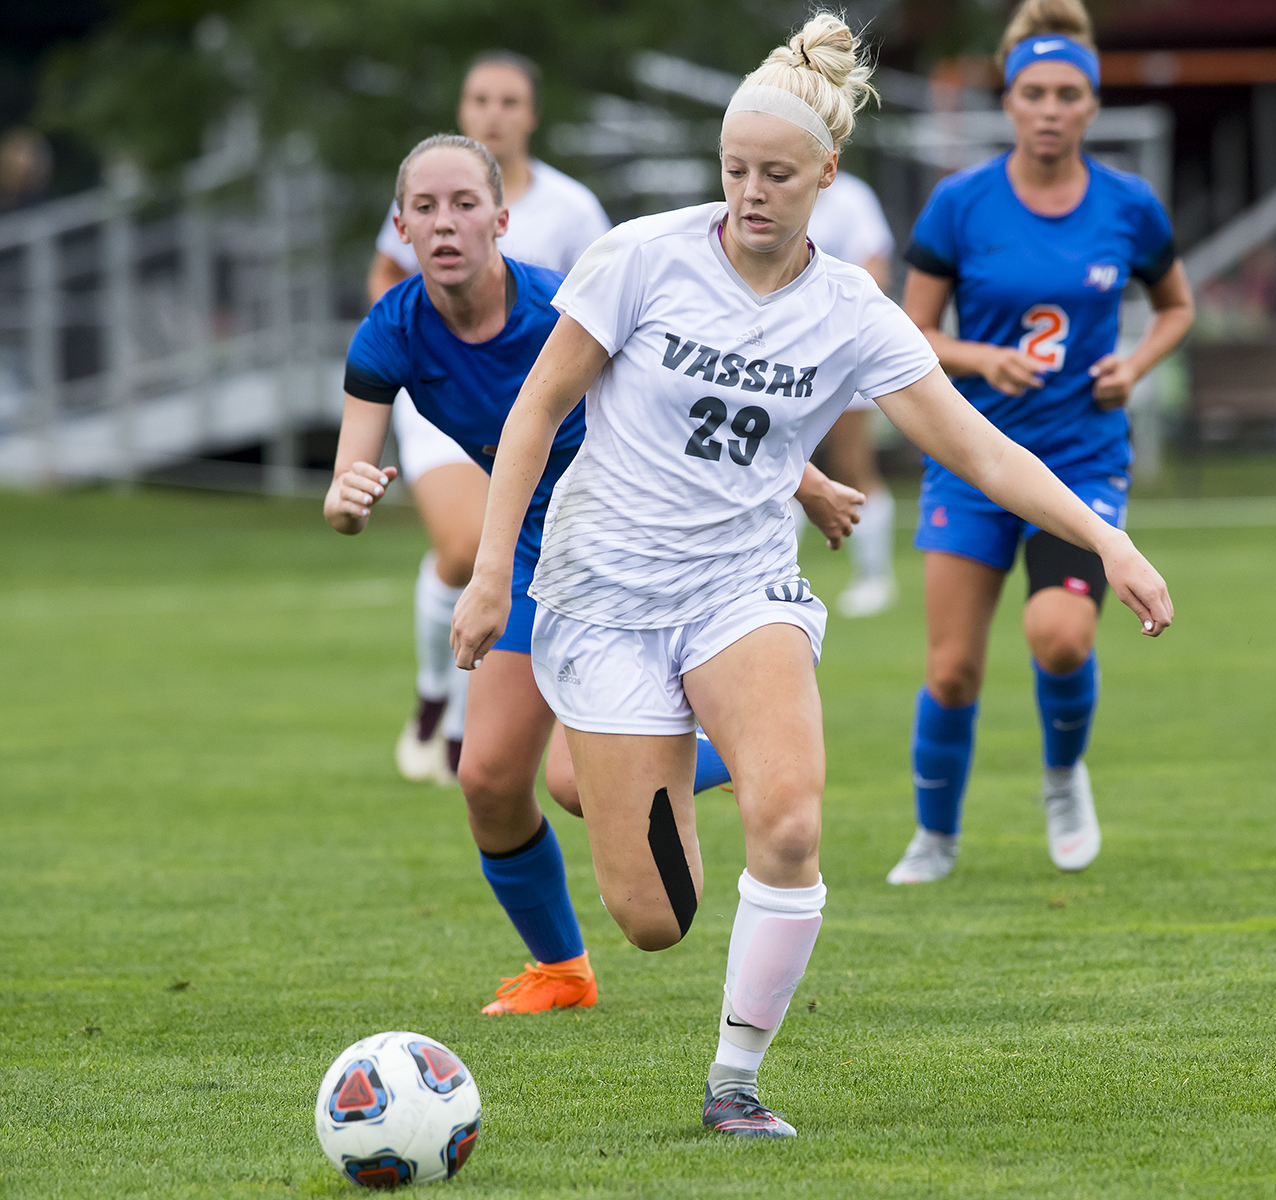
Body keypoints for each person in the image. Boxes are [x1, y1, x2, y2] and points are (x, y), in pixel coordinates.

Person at [450, 13, 1172, 1138]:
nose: (750, 193)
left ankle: (734, 1085)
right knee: (652, 921)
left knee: (789, 822)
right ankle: (660, 758)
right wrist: (494, 574)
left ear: (826, 178)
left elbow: (979, 448)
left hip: (741, 590)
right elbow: (538, 406)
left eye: (777, 175)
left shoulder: (850, 312)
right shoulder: (641, 256)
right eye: (735, 169)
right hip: (605, 596)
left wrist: (1109, 540)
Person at [328, 134, 861, 1016]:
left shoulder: (558, 304)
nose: (446, 222)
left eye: (465, 203)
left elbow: (690, 395)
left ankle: (756, 751)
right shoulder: (389, 332)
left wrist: (802, 481)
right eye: (425, 208)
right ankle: (563, 971)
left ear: (502, 219)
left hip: (619, 534)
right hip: (526, 542)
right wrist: (348, 497)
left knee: (574, 786)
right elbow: (349, 484)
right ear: (400, 228)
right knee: (489, 781)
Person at [885, 0, 1194, 886]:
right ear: (1008, 100)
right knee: (951, 671)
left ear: (1091, 105)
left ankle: (1063, 778)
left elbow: (1178, 307)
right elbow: (908, 334)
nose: (1050, 108)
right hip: (973, 460)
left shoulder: (1129, 206)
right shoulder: (960, 203)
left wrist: (1135, 367)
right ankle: (935, 837)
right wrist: (983, 357)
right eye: (1033, 92)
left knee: (1060, 637)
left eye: (1067, 93)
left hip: (1080, 460)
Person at [368, 50, 612, 787]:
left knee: (502, 557)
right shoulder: (433, 185)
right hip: (444, 403)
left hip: (543, 425)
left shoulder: (572, 209)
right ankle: (435, 696)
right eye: (480, 99)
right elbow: (387, 273)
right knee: (468, 546)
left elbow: (608, 308)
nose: (493, 113)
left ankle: (473, 729)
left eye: (509, 101)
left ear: (532, 115)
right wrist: (390, 337)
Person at [805, 171, 899, 617]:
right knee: (767, 464)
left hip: (838, 352)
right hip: (778, 353)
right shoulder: (761, 188)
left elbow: (873, 267)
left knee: (851, 463)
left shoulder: (850, 197)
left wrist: (834, 331)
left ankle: (874, 575)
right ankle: (766, 577)